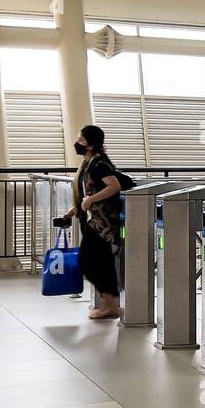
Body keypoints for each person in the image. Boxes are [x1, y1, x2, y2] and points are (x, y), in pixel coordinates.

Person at [62, 125, 124, 320]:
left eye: (81, 140)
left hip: (102, 224)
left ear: (91, 144)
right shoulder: (89, 163)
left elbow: (114, 186)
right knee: (99, 262)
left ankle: (111, 304)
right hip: (91, 220)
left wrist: (90, 200)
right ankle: (110, 304)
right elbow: (86, 192)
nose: (77, 143)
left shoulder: (98, 164)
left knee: (88, 262)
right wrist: (75, 209)